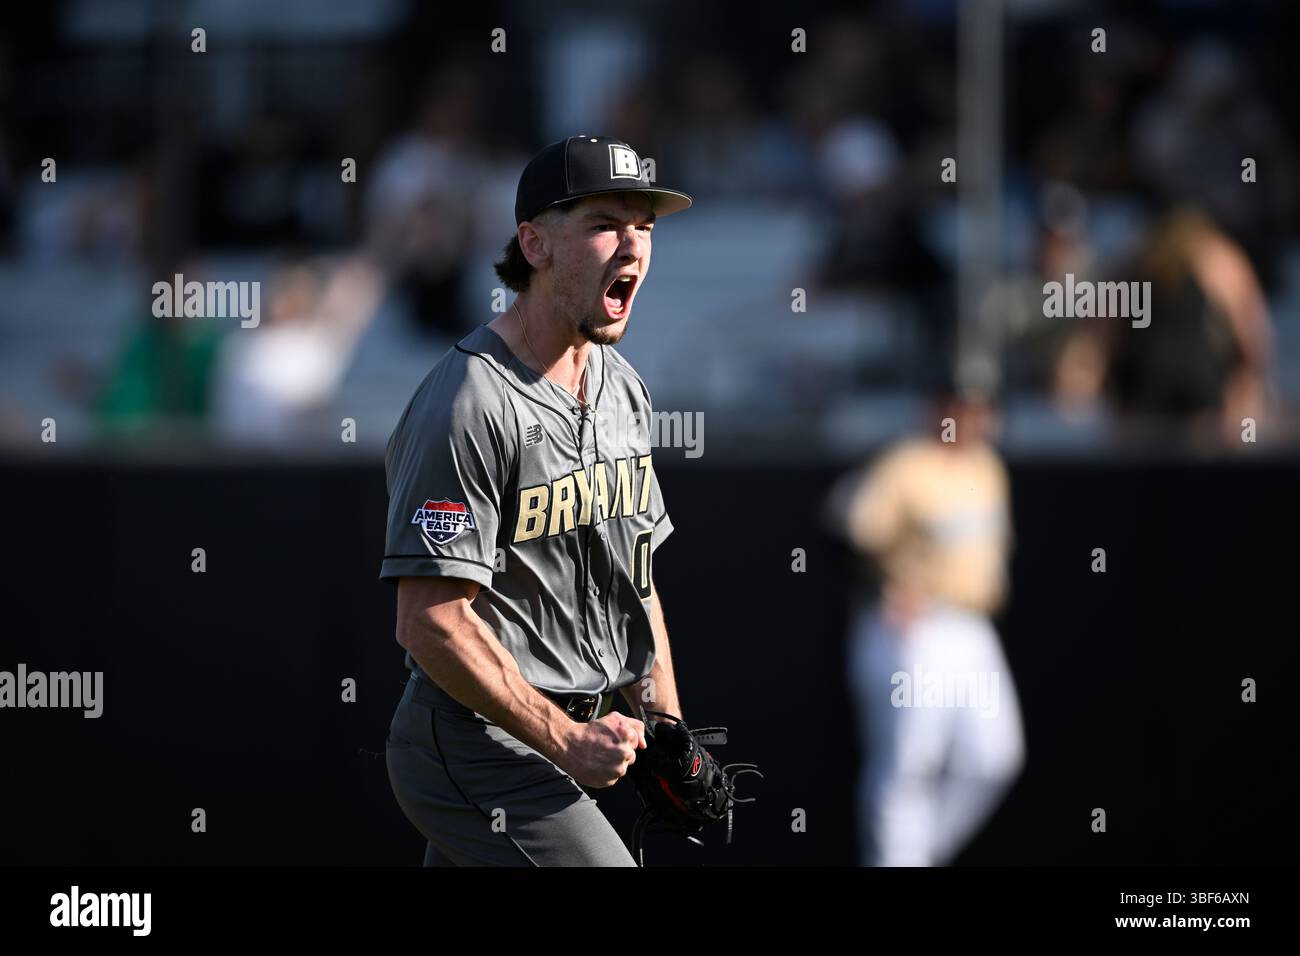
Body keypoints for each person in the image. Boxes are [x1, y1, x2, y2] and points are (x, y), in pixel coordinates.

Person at [381, 135, 693, 866]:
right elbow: (429, 620)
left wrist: (665, 723)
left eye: (644, 226)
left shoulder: (622, 387)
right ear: (535, 243)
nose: (633, 246)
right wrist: (568, 740)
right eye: (605, 223)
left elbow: (635, 578)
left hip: (556, 738)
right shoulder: (468, 401)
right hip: (471, 742)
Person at [825, 379, 1026, 866]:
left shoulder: (987, 465)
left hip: (972, 628)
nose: (974, 418)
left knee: (994, 758)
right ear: (938, 408)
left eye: (981, 408)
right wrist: (884, 589)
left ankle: (912, 858)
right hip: (916, 631)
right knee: (909, 765)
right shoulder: (906, 464)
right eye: (963, 406)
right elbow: (844, 529)